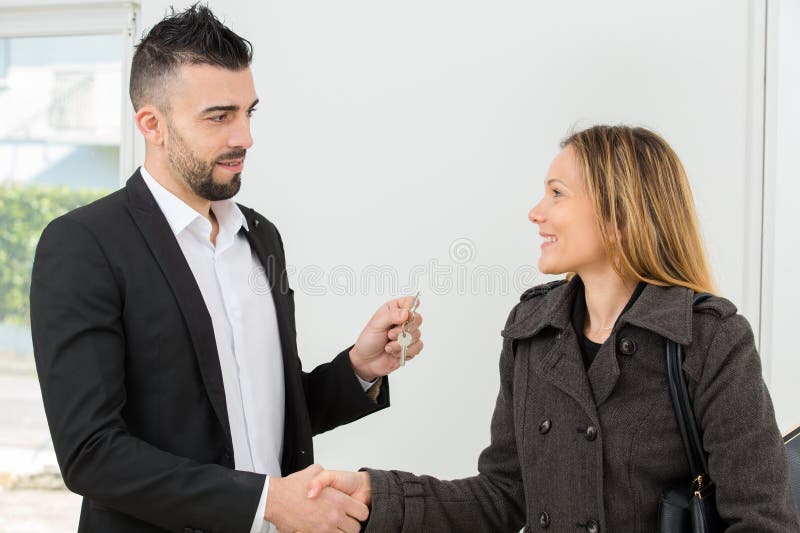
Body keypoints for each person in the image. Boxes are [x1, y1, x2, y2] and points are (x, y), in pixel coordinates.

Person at [29, 6, 423, 533]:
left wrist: (358, 367)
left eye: (248, 113)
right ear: (152, 124)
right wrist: (266, 502)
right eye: (219, 116)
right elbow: (92, 454)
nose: (245, 138)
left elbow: (263, 416)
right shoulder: (83, 245)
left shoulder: (261, 237)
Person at [307, 125, 800, 531]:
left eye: (557, 194)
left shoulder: (709, 338)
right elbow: (503, 494)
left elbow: (763, 519)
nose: (535, 212)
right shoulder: (532, 331)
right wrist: (379, 495)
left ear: (619, 215)